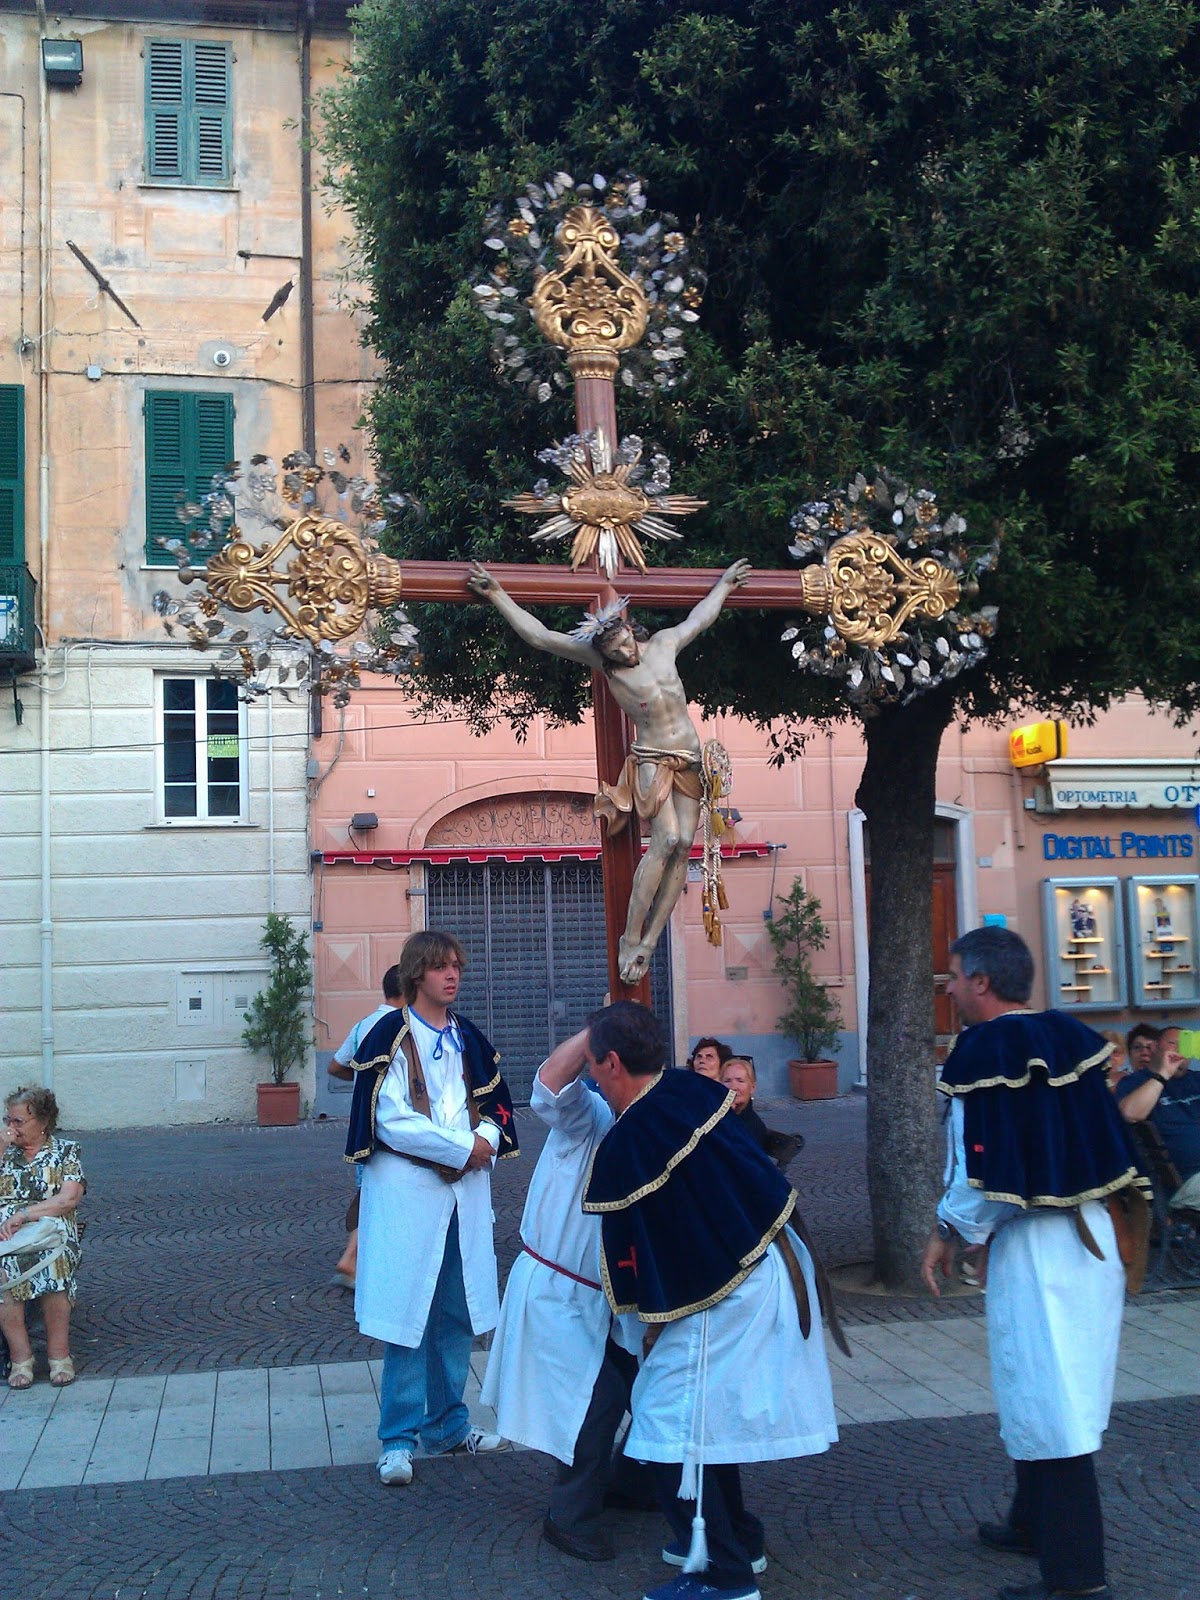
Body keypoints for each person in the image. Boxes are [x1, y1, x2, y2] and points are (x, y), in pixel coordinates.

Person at [582, 1000, 841, 1600]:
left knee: (664, 1423)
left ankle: (724, 1576)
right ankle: (737, 1539)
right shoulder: (686, 1090)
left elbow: (631, 1255)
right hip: (760, 1263)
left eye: (594, 1065)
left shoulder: (635, 1138)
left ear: (614, 1063)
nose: (591, 1077)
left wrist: (636, 1325)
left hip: (731, 1288)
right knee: (706, 1416)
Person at [921, 927, 1147, 1600]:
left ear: (983, 983)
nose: (951, 986)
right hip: (1090, 1239)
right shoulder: (1070, 1037)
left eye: (956, 975)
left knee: (1054, 1403)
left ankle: (1077, 1578)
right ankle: (1030, 1520)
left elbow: (978, 1168)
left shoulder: (985, 1049)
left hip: (1047, 1247)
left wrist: (949, 1230)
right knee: (1037, 1383)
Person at [469, 559, 751, 984]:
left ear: (632, 632)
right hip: (653, 759)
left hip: (691, 759)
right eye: (614, 650)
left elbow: (699, 619)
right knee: (668, 838)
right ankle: (629, 936)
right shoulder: (607, 666)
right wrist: (496, 594)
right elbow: (541, 637)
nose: (624, 652)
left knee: (684, 845)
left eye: (624, 643)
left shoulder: (663, 644)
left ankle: (650, 940)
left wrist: (725, 587)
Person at [345, 931, 519, 1485]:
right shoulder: (387, 1035)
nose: (453, 976)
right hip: (408, 1195)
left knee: (456, 1313)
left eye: (457, 967)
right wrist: (463, 1148)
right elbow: (390, 1119)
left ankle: (447, 1426)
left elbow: (495, 1102)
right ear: (417, 973)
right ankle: (396, 1439)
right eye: (442, 967)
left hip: (462, 1197)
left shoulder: (468, 1036)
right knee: (406, 1316)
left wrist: (485, 1138)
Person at [481, 1026, 651, 1563]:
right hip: (556, 1290)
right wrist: (597, 1031)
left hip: (610, 1297)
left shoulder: (649, 1127)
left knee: (637, 1383)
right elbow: (550, 1082)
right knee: (594, 1400)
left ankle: (620, 1480)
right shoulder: (589, 1118)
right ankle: (568, 1516)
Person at [0, 1087, 86, 1389]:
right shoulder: (3, 1150)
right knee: (2, 1274)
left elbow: (68, 1199)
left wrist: (25, 1214)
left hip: (52, 1236)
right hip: (6, 1238)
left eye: (19, 1121)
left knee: (56, 1267)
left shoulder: (65, 1151)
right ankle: (21, 1358)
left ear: (43, 1121)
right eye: (8, 1119)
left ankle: (59, 1356)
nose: (11, 1128)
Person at [327, 965, 405, 1289]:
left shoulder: (362, 1025)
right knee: (380, 1194)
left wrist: (359, 1079)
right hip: (393, 1127)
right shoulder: (403, 1026)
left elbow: (336, 1066)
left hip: (362, 1126)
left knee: (369, 1190)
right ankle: (353, 1257)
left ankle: (360, 1257)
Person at [1116, 1023, 1200, 1210]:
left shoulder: (1196, 1080)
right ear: (1156, 1048)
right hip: (1183, 1182)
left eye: (1186, 1045)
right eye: (1173, 1044)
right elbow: (1130, 1113)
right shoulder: (1136, 1083)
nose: (1180, 1051)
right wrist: (1163, 1074)